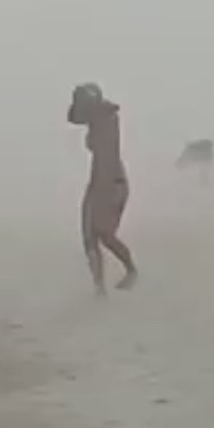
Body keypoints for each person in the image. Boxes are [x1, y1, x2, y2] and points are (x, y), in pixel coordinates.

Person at [66, 82, 138, 293]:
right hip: (105, 181)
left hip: (108, 182)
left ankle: (126, 274)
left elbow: (107, 157)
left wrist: (105, 191)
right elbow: (72, 118)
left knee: (100, 234)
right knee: (94, 236)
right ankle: (103, 287)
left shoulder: (104, 120)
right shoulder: (102, 117)